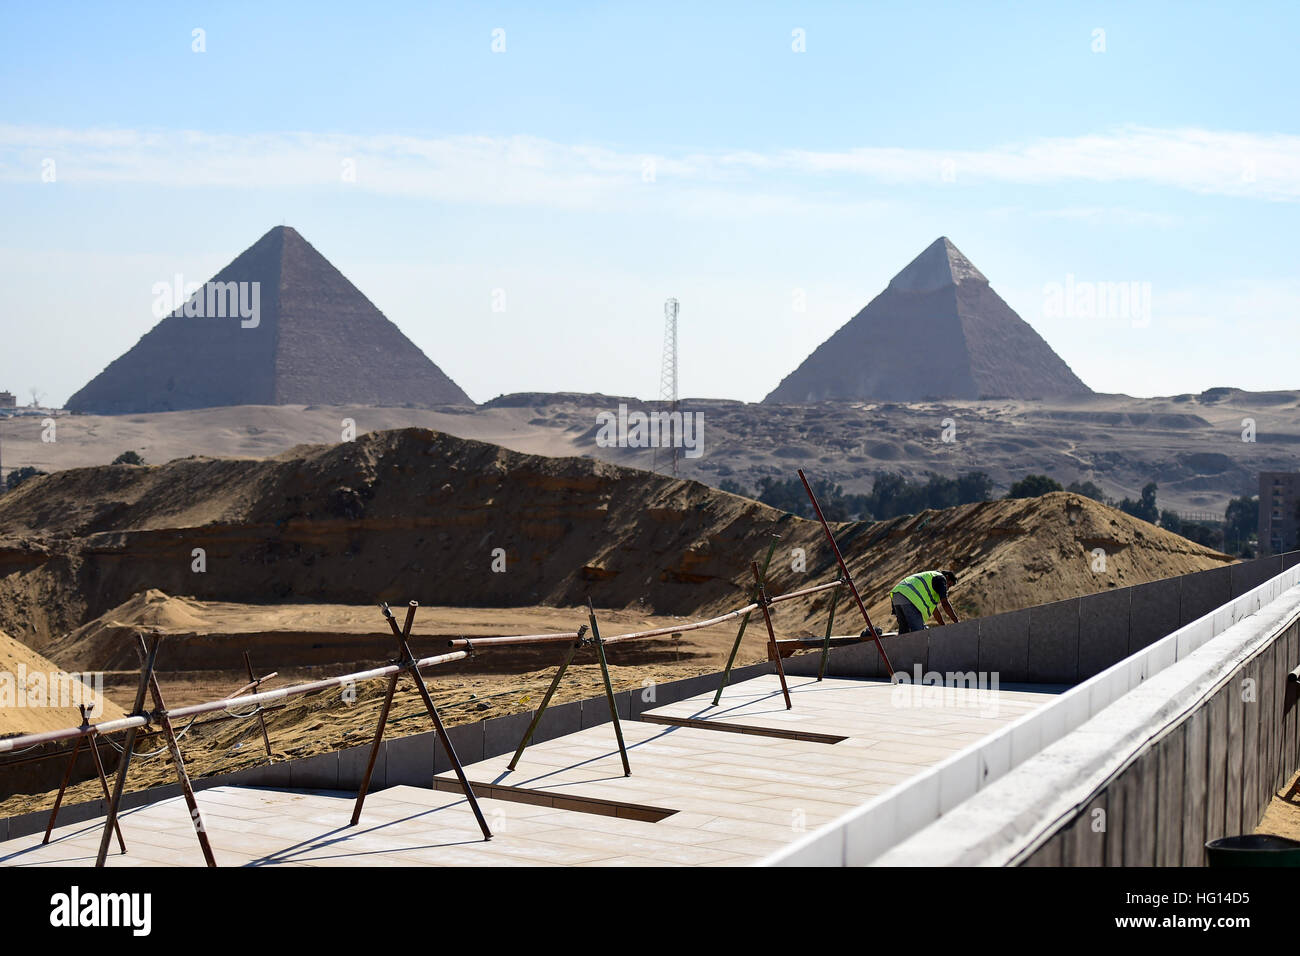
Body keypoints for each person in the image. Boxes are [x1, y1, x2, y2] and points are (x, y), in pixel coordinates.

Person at [890, 569, 959, 633]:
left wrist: (943, 626)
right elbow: (945, 603)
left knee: (904, 631)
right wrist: (957, 623)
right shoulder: (941, 579)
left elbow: (935, 611)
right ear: (947, 577)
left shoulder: (931, 578)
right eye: (949, 585)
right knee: (918, 632)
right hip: (908, 597)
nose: (947, 588)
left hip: (897, 595)